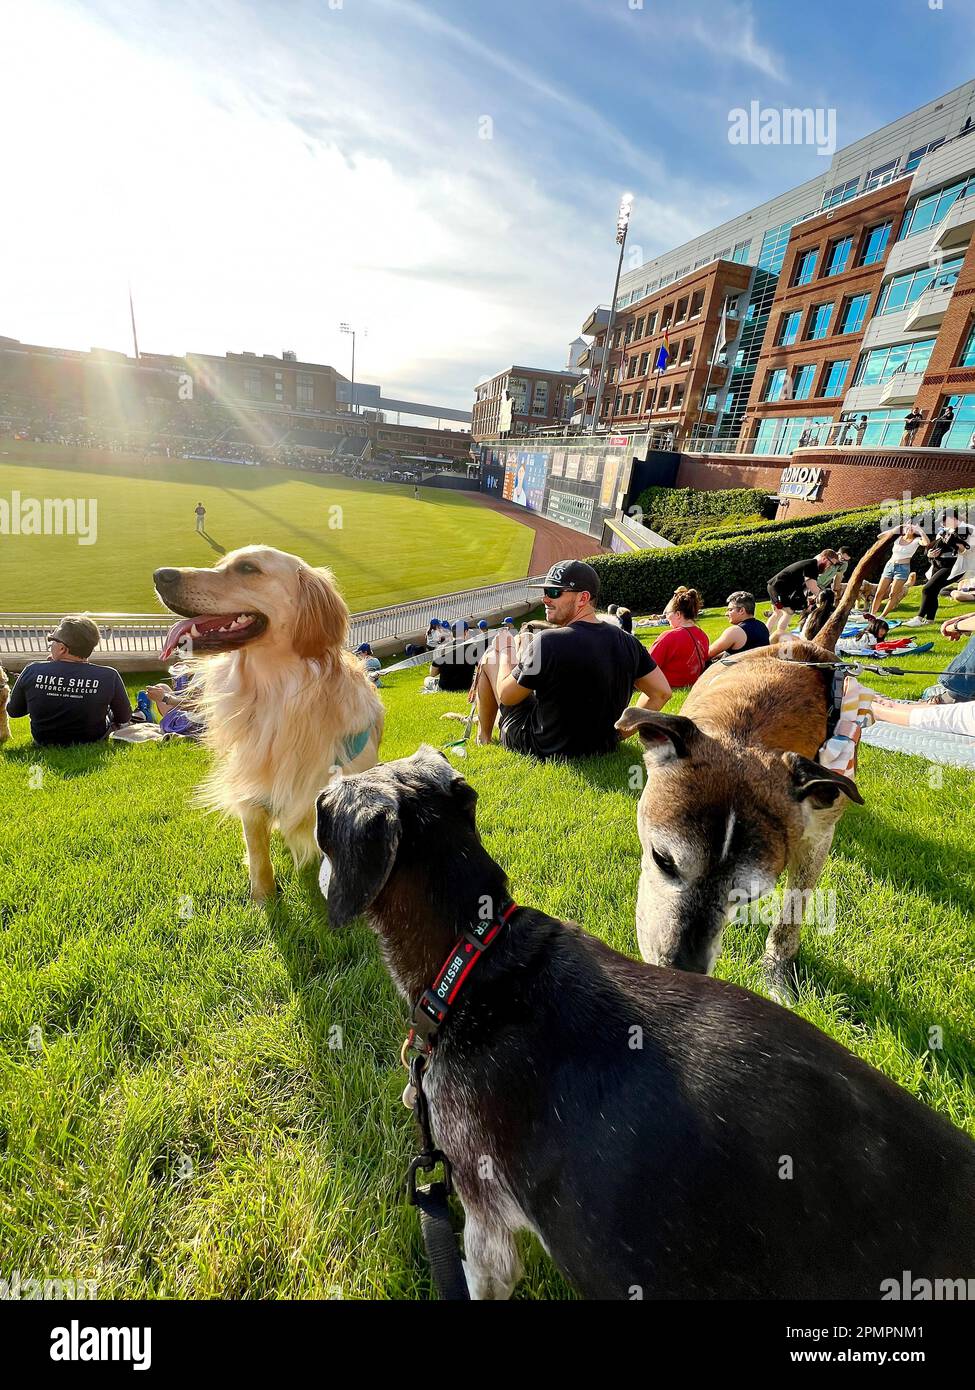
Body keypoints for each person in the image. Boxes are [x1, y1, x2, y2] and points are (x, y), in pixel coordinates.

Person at [472, 560, 671, 758]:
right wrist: (619, 733)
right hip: (601, 745)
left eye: (554, 593)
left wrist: (506, 649)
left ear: (583, 598)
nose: (545, 599)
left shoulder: (548, 641)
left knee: (491, 656)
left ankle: (484, 738)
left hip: (540, 746)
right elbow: (661, 693)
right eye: (545, 593)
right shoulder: (629, 642)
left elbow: (507, 696)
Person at [6, 616, 131, 746]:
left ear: (62, 649)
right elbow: (123, 717)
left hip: (44, 740)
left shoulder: (33, 670)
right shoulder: (109, 675)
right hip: (93, 739)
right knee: (109, 709)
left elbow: (14, 711)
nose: (50, 644)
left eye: (51, 640)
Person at [906, 516, 972, 626]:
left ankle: (918, 618)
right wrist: (930, 554)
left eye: (944, 521)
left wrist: (953, 543)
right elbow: (932, 547)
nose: (942, 523)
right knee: (933, 591)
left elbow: (967, 551)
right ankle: (930, 620)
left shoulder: (966, 530)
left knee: (927, 589)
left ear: (953, 518)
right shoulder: (943, 532)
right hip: (939, 564)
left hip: (952, 566)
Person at [766, 550, 839, 638]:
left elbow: (806, 585)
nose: (829, 567)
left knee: (777, 613)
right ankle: (778, 637)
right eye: (830, 564)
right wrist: (822, 597)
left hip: (774, 586)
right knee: (789, 612)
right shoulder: (812, 565)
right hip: (778, 588)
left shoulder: (810, 564)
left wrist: (810, 597)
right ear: (824, 559)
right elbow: (810, 583)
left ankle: (765, 636)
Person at [649, 588, 710, 689]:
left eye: (668, 613)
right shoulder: (702, 635)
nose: (666, 617)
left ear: (678, 614)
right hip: (695, 683)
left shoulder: (669, 636)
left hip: (669, 685)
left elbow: (648, 666)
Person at [874, 524, 930, 617]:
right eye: (907, 527)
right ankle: (872, 615)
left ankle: (882, 616)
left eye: (912, 528)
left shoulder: (916, 540)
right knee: (879, 592)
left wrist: (920, 531)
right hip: (890, 566)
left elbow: (926, 543)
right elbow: (880, 536)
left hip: (902, 568)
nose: (909, 529)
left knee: (893, 594)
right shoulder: (897, 538)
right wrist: (896, 528)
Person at [707, 591, 770, 659]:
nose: (726, 614)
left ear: (741, 610)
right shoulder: (762, 627)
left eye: (730, 610)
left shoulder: (735, 631)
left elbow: (708, 653)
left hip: (735, 668)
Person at [430, 620, 483, 693]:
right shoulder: (474, 649)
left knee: (428, 679)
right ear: (465, 632)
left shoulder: (442, 648)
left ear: (452, 633)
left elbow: (433, 674)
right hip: (466, 686)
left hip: (445, 687)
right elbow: (481, 669)